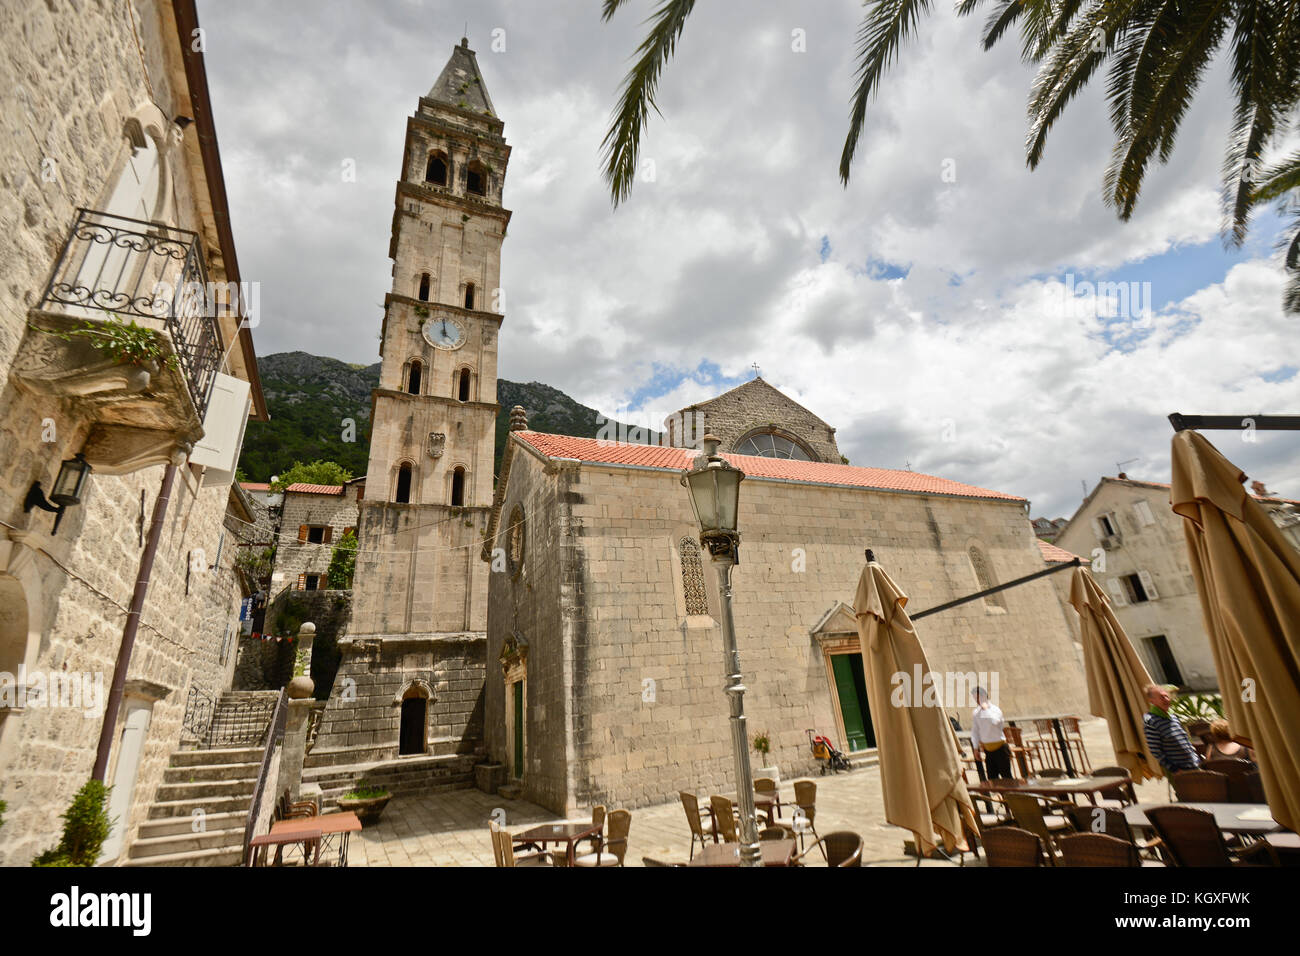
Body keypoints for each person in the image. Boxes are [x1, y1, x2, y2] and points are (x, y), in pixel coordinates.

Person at [1142, 684, 1202, 775]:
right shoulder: (1151, 721)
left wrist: (1196, 758)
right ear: (1152, 701)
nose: (1166, 699)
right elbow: (1155, 750)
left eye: (1166, 696)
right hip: (1179, 771)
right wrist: (1175, 769)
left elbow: (1185, 740)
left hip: (1193, 764)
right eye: (1162, 697)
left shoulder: (1173, 716)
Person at [970, 686, 1013, 780]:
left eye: (978, 697)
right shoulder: (976, 712)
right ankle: (998, 795)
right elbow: (975, 731)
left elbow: (995, 723)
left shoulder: (995, 709)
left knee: (1007, 778)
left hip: (1000, 748)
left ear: (984, 696)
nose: (977, 700)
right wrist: (975, 748)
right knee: (992, 779)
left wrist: (986, 710)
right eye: (975, 698)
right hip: (988, 750)